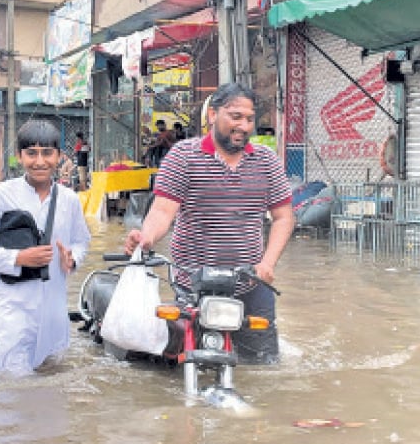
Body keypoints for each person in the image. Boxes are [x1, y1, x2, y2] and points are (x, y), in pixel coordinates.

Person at [124, 82, 295, 364]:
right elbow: (163, 211)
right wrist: (146, 238)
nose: (243, 125)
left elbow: (284, 217)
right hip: (193, 283)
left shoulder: (267, 162)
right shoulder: (183, 156)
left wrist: (268, 264)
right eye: (235, 116)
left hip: (251, 283)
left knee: (262, 368)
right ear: (213, 115)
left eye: (249, 119)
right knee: (186, 362)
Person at [0, 119, 91, 376]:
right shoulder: (1, 196)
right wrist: (19, 258)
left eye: (47, 153)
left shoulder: (69, 200)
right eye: (31, 153)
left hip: (54, 314)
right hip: (13, 311)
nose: (39, 162)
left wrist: (73, 260)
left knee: (52, 401)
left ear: (59, 156)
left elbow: (81, 241)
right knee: (15, 391)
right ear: (19, 156)